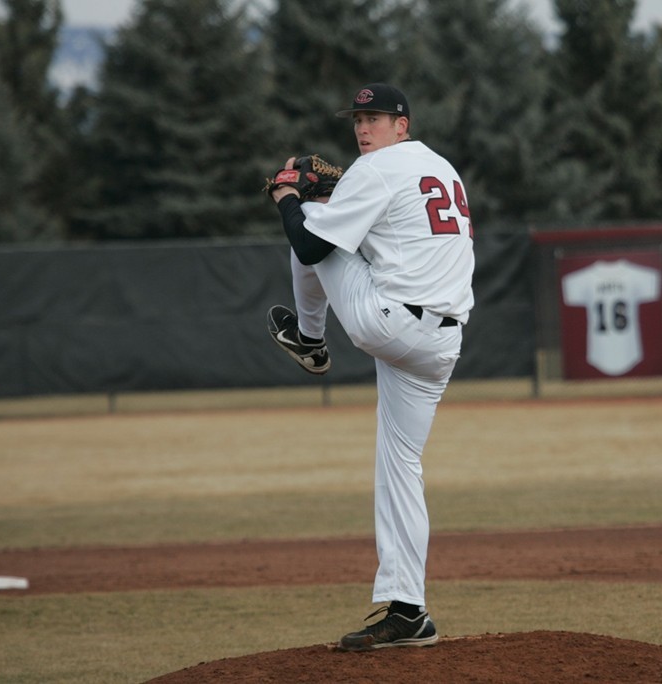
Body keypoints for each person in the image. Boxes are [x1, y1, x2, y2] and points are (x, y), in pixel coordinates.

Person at [266, 83, 474, 651]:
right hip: (442, 344)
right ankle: (409, 611)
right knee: (400, 467)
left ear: (402, 124)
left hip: (390, 321)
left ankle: (310, 340)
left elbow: (310, 249)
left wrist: (286, 195)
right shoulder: (442, 168)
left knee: (311, 217)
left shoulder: (375, 170)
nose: (364, 128)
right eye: (359, 118)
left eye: (377, 117)